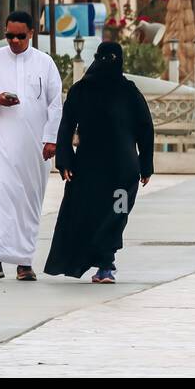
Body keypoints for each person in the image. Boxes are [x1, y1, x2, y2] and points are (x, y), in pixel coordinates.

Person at [45, 42, 154, 284]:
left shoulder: (129, 92)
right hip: (89, 169)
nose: (108, 63)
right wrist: (65, 161)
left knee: (117, 213)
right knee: (87, 214)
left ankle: (106, 262)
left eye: (112, 58)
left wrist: (146, 166)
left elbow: (145, 129)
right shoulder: (82, 90)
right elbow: (66, 127)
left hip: (122, 171)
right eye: (104, 58)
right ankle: (100, 262)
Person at [0, 11, 63, 281]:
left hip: (34, 147)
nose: (14, 41)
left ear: (31, 33)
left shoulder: (45, 63)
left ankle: (24, 262)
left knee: (27, 203)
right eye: (9, 36)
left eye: (20, 36)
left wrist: (52, 138)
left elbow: (55, 103)